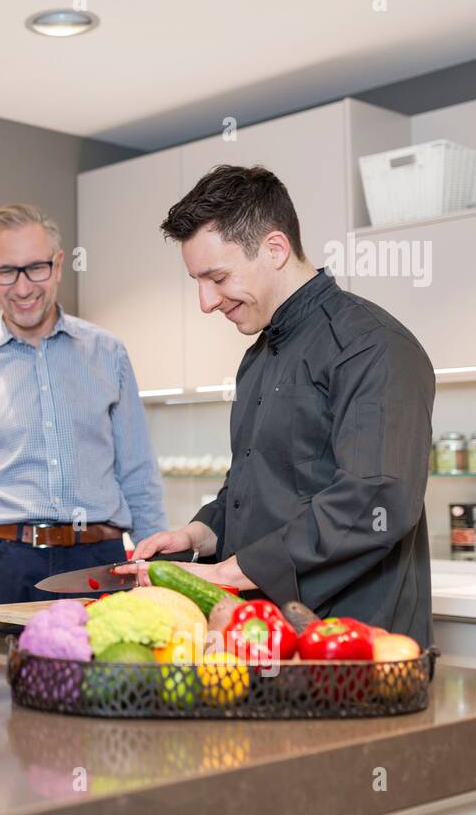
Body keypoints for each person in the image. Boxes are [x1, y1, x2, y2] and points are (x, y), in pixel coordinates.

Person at [119, 165, 434, 644]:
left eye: (217, 277)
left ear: (275, 249)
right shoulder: (258, 357)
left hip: (352, 641)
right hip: (264, 635)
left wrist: (232, 573)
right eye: (197, 282)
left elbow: (377, 499)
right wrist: (200, 534)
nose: (205, 302)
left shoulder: (372, 346)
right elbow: (253, 485)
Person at [0, 203, 167, 617]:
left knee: (108, 681)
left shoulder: (108, 354)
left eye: (36, 268)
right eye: (6, 271)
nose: (23, 287)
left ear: (59, 264)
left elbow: (138, 476)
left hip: (99, 561)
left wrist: (161, 578)